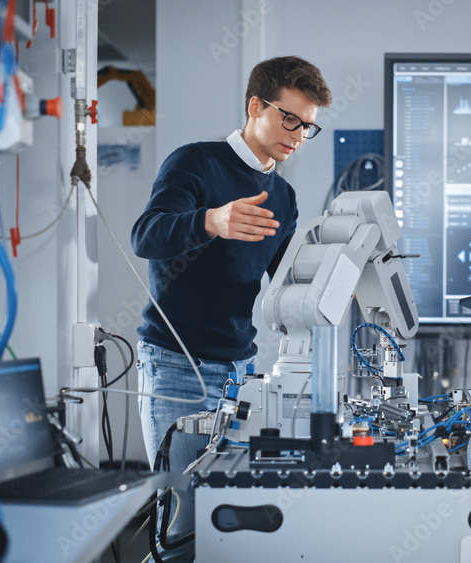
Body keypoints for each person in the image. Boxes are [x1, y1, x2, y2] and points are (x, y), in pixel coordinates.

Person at [130, 56, 331, 561]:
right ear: (255, 106)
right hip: (178, 364)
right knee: (181, 525)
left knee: (223, 522)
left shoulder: (283, 196)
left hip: (240, 372)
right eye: (290, 119)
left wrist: (334, 281)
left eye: (308, 127)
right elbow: (145, 236)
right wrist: (211, 220)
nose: (298, 135)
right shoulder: (195, 162)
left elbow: (285, 285)